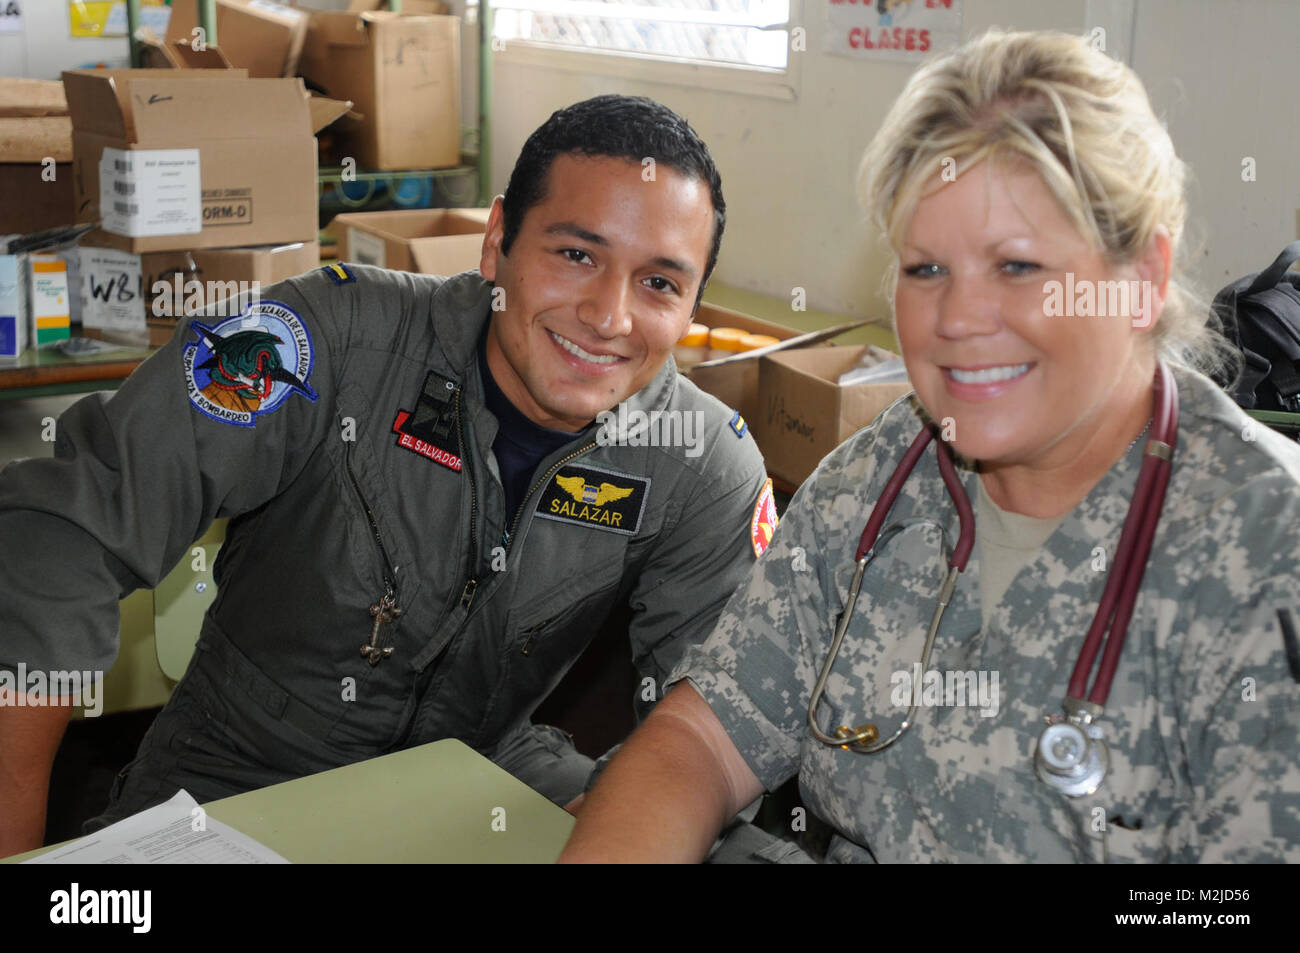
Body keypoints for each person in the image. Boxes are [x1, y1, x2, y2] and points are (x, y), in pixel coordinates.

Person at [559, 31, 1300, 863]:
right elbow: (700, 737)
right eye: (925, 269)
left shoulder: (1265, 550)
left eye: (1017, 266)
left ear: (1142, 281)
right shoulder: (881, 481)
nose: (956, 321)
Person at [0, 95, 775, 856]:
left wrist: (621, 798)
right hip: (236, 779)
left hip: (482, 771)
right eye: (576, 255)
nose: (609, 316)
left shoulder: (703, 464)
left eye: (660, 284)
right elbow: (64, 535)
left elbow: (721, 717)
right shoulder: (323, 340)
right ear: (497, 239)